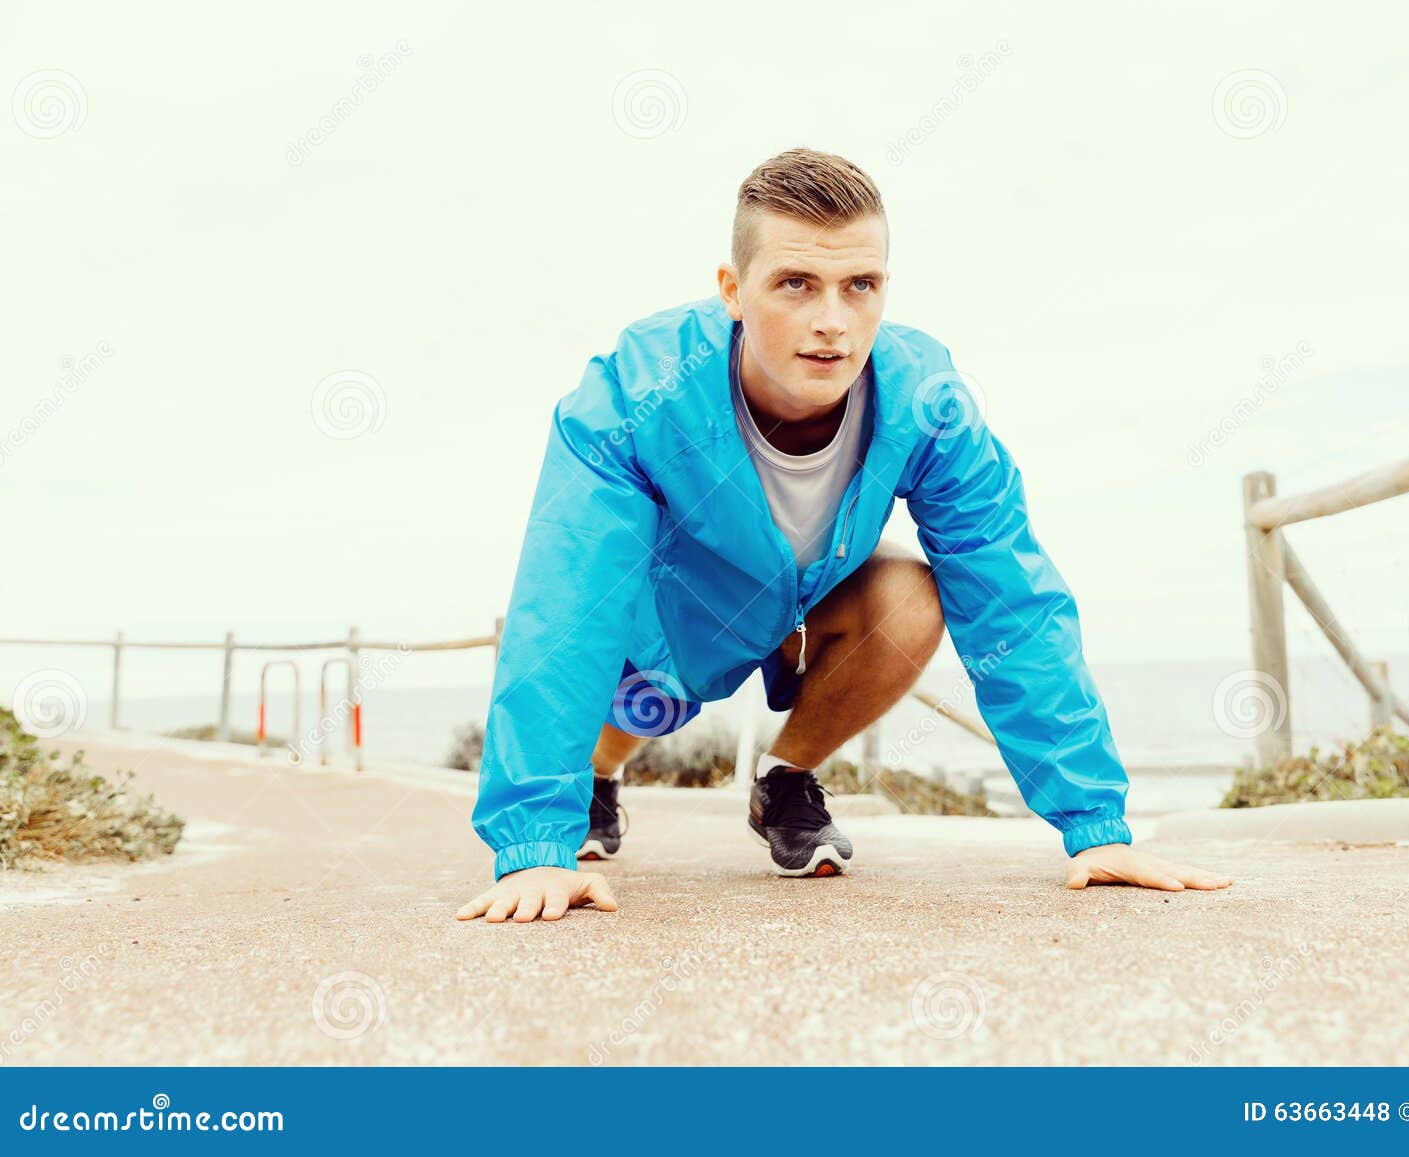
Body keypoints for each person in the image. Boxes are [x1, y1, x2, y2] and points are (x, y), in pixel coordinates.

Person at [457, 147, 1231, 924]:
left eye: (860, 285)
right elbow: (567, 600)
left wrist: (1094, 825)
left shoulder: (926, 399)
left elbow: (1010, 595)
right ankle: (599, 779)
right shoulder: (635, 390)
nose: (833, 320)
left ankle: (786, 780)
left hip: (811, 600)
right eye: (795, 284)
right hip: (676, 618)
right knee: (644, 704)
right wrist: (534, 846)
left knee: (912, 597)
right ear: (732, 289)